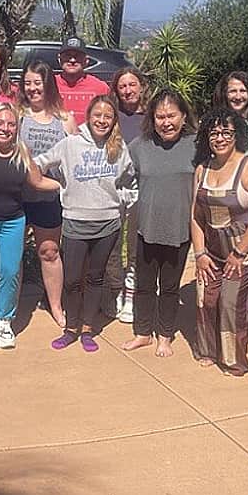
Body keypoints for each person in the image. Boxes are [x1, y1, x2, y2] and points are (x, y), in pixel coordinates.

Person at [35, 95, 133, 352]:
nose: (102, 120)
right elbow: (39, 163)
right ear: (88, 117)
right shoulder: (70, 144)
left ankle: (88, 329)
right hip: (76, 222)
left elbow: (131, 182)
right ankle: (71, 328)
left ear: (114, 121)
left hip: (108, 223)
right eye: (97, 115)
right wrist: (57, 186)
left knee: (95, 278)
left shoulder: (119, 148)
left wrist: (121, 200)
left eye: (108, 116)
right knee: (72, 280)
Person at [0, 104, 60, 349]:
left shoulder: (22, 151)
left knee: (9, 271)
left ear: (16, 128)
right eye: (0, 123)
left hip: (13, 221)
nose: (5, 128)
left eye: (10, 124)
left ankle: (4, 320)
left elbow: (37, 181)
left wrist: (68, 186)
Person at [190, 107, 248, 376]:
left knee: (230, 301)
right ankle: (207, 349)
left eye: (226, 132)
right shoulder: (202, 169)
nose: (220, 138)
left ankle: (233, 358)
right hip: (211, 247)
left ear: (237, 134)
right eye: (214, 133)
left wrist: (238, 253)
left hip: (244, 248)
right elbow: (196, 215)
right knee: (205, 297)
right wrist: (200, 253)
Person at [121, 89, 197, 358]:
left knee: (169, 287)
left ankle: (165, 336)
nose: (166, 122)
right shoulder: (140, 146)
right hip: (146, 228)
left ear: (183, 116)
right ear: (152, 119)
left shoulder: (196, 145)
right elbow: (119, 171)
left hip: (179, 230)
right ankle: (143, 333)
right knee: (144, 284)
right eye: (160, 116)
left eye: (171, 116)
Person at [18, 60, 77, 327]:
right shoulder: (16, 114)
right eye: (27, 83)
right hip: (17, 198)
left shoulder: (64, 119)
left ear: (48, 85)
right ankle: (10, 308)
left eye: (37, 83)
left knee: (50, 252)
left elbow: (73, 162)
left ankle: (56, 306)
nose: (32, 88)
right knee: (12, 255)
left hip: (50, 198)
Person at [104, 67, 148, 323]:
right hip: (114, 189)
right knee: (111, 244)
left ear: (141, 86)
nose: (128, 90)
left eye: (132, 85)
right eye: (122, 86)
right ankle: (114, 290)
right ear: (116, 90)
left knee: (134, 247)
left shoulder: (151, 116)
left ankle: (131, 295)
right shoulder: (112, 116)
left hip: (142, 191)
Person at [212, 71, 248, 161]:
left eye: (243, 91)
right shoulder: (214, 125)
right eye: (232, 91)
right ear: (224, 94)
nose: (238, 97)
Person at [55, 36, 110, 125]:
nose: (72, 60)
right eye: (67, 55)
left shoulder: (101, 88)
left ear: (86, 60)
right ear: (59, 59)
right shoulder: (48, 85)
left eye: (77, 56)